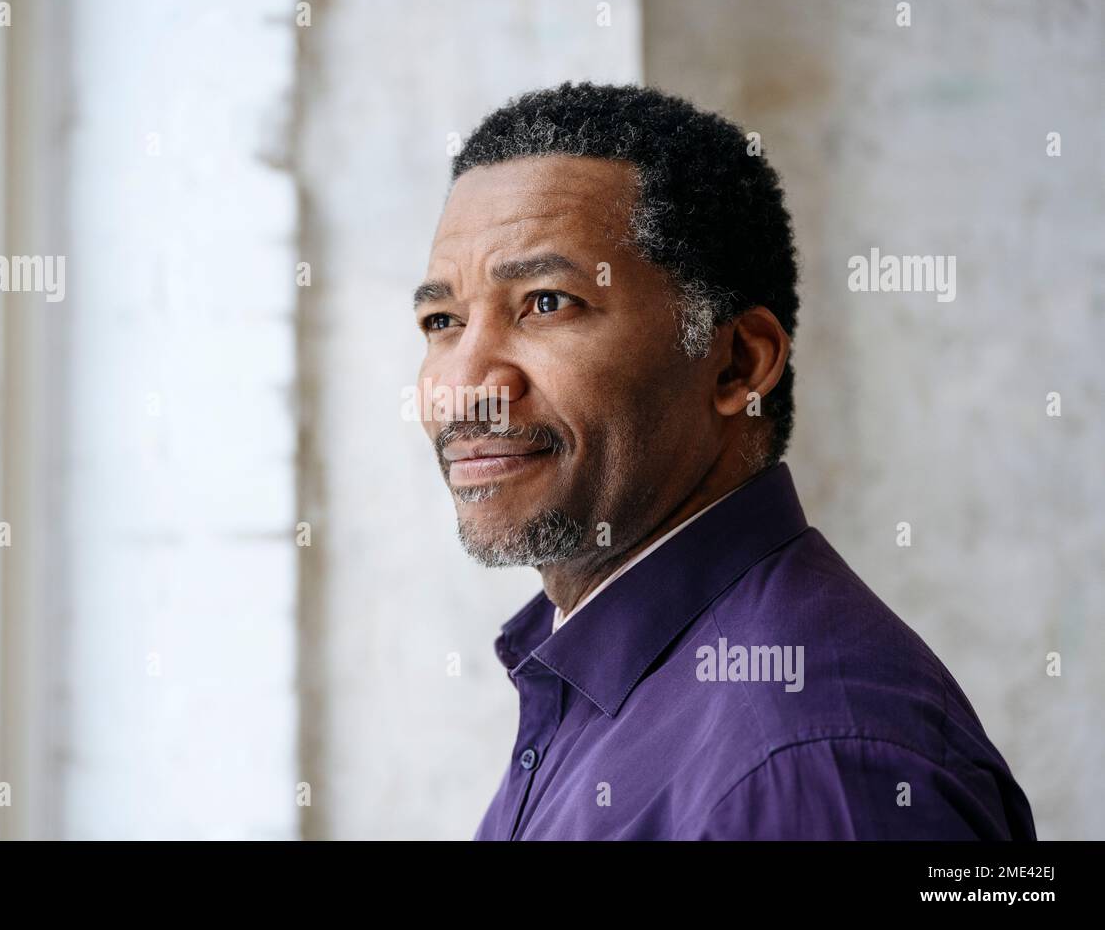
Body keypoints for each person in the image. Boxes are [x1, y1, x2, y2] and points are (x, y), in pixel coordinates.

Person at [411, 81, 1036, 840]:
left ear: (737, 365)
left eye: (546, 302)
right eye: (442, 320)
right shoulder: (591, 665)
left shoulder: (813, 766)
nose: (467, 388)